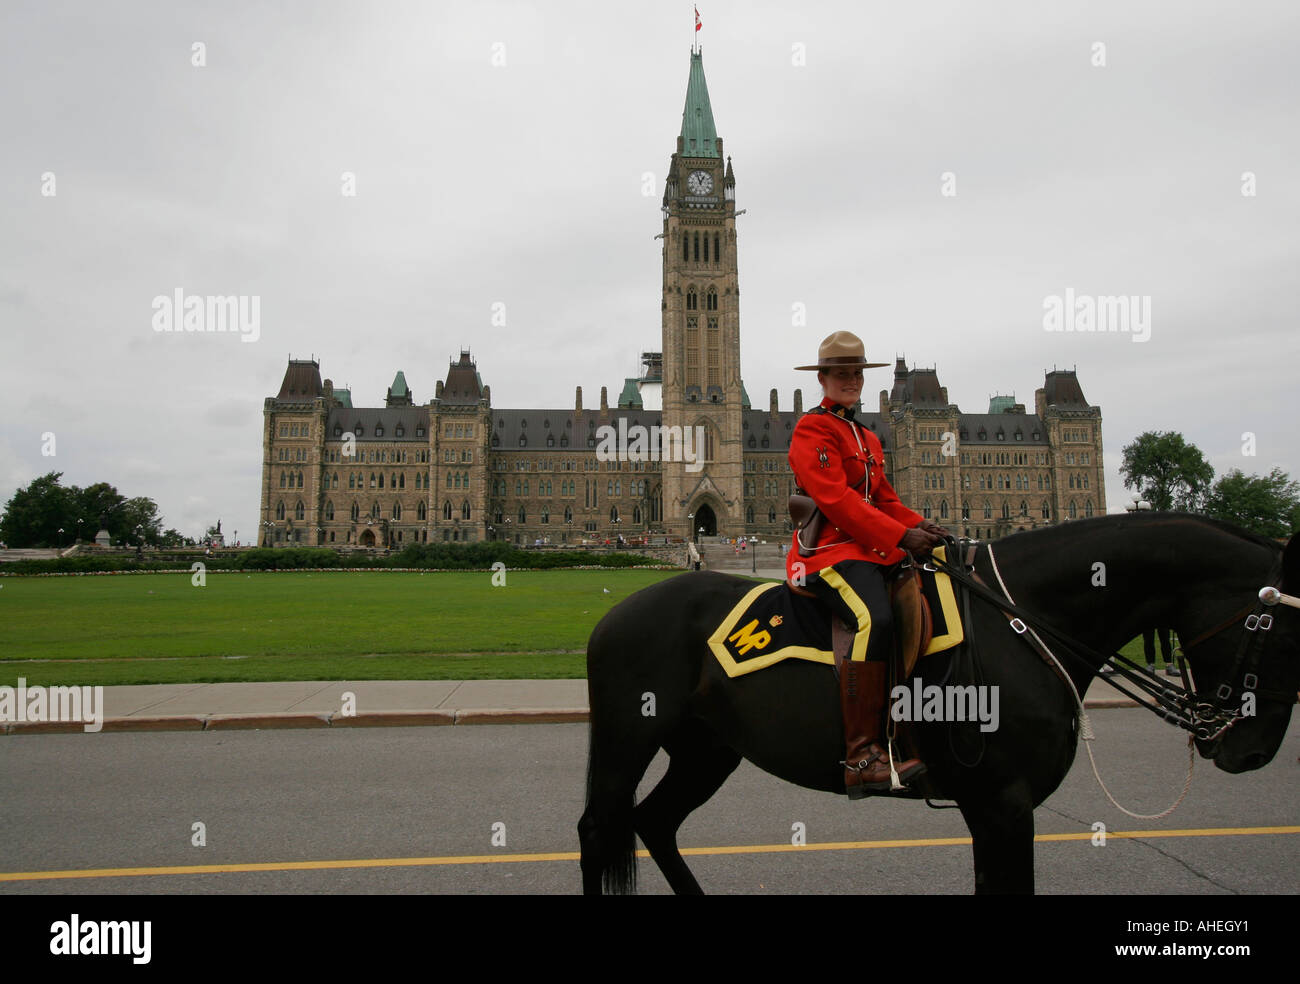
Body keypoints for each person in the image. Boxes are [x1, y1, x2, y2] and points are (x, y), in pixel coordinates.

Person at [789, 331, 948, 799]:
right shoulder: (812, 429)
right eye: (842, 374)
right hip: (829, 555)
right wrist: (900, 536)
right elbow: (836, 501)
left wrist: (926, 528)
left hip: (872, 549)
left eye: (857, 373)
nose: (851, 381)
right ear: (823, 378)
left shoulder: (867, 437)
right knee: (872, 616)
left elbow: (884, 500)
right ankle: (861, 753)